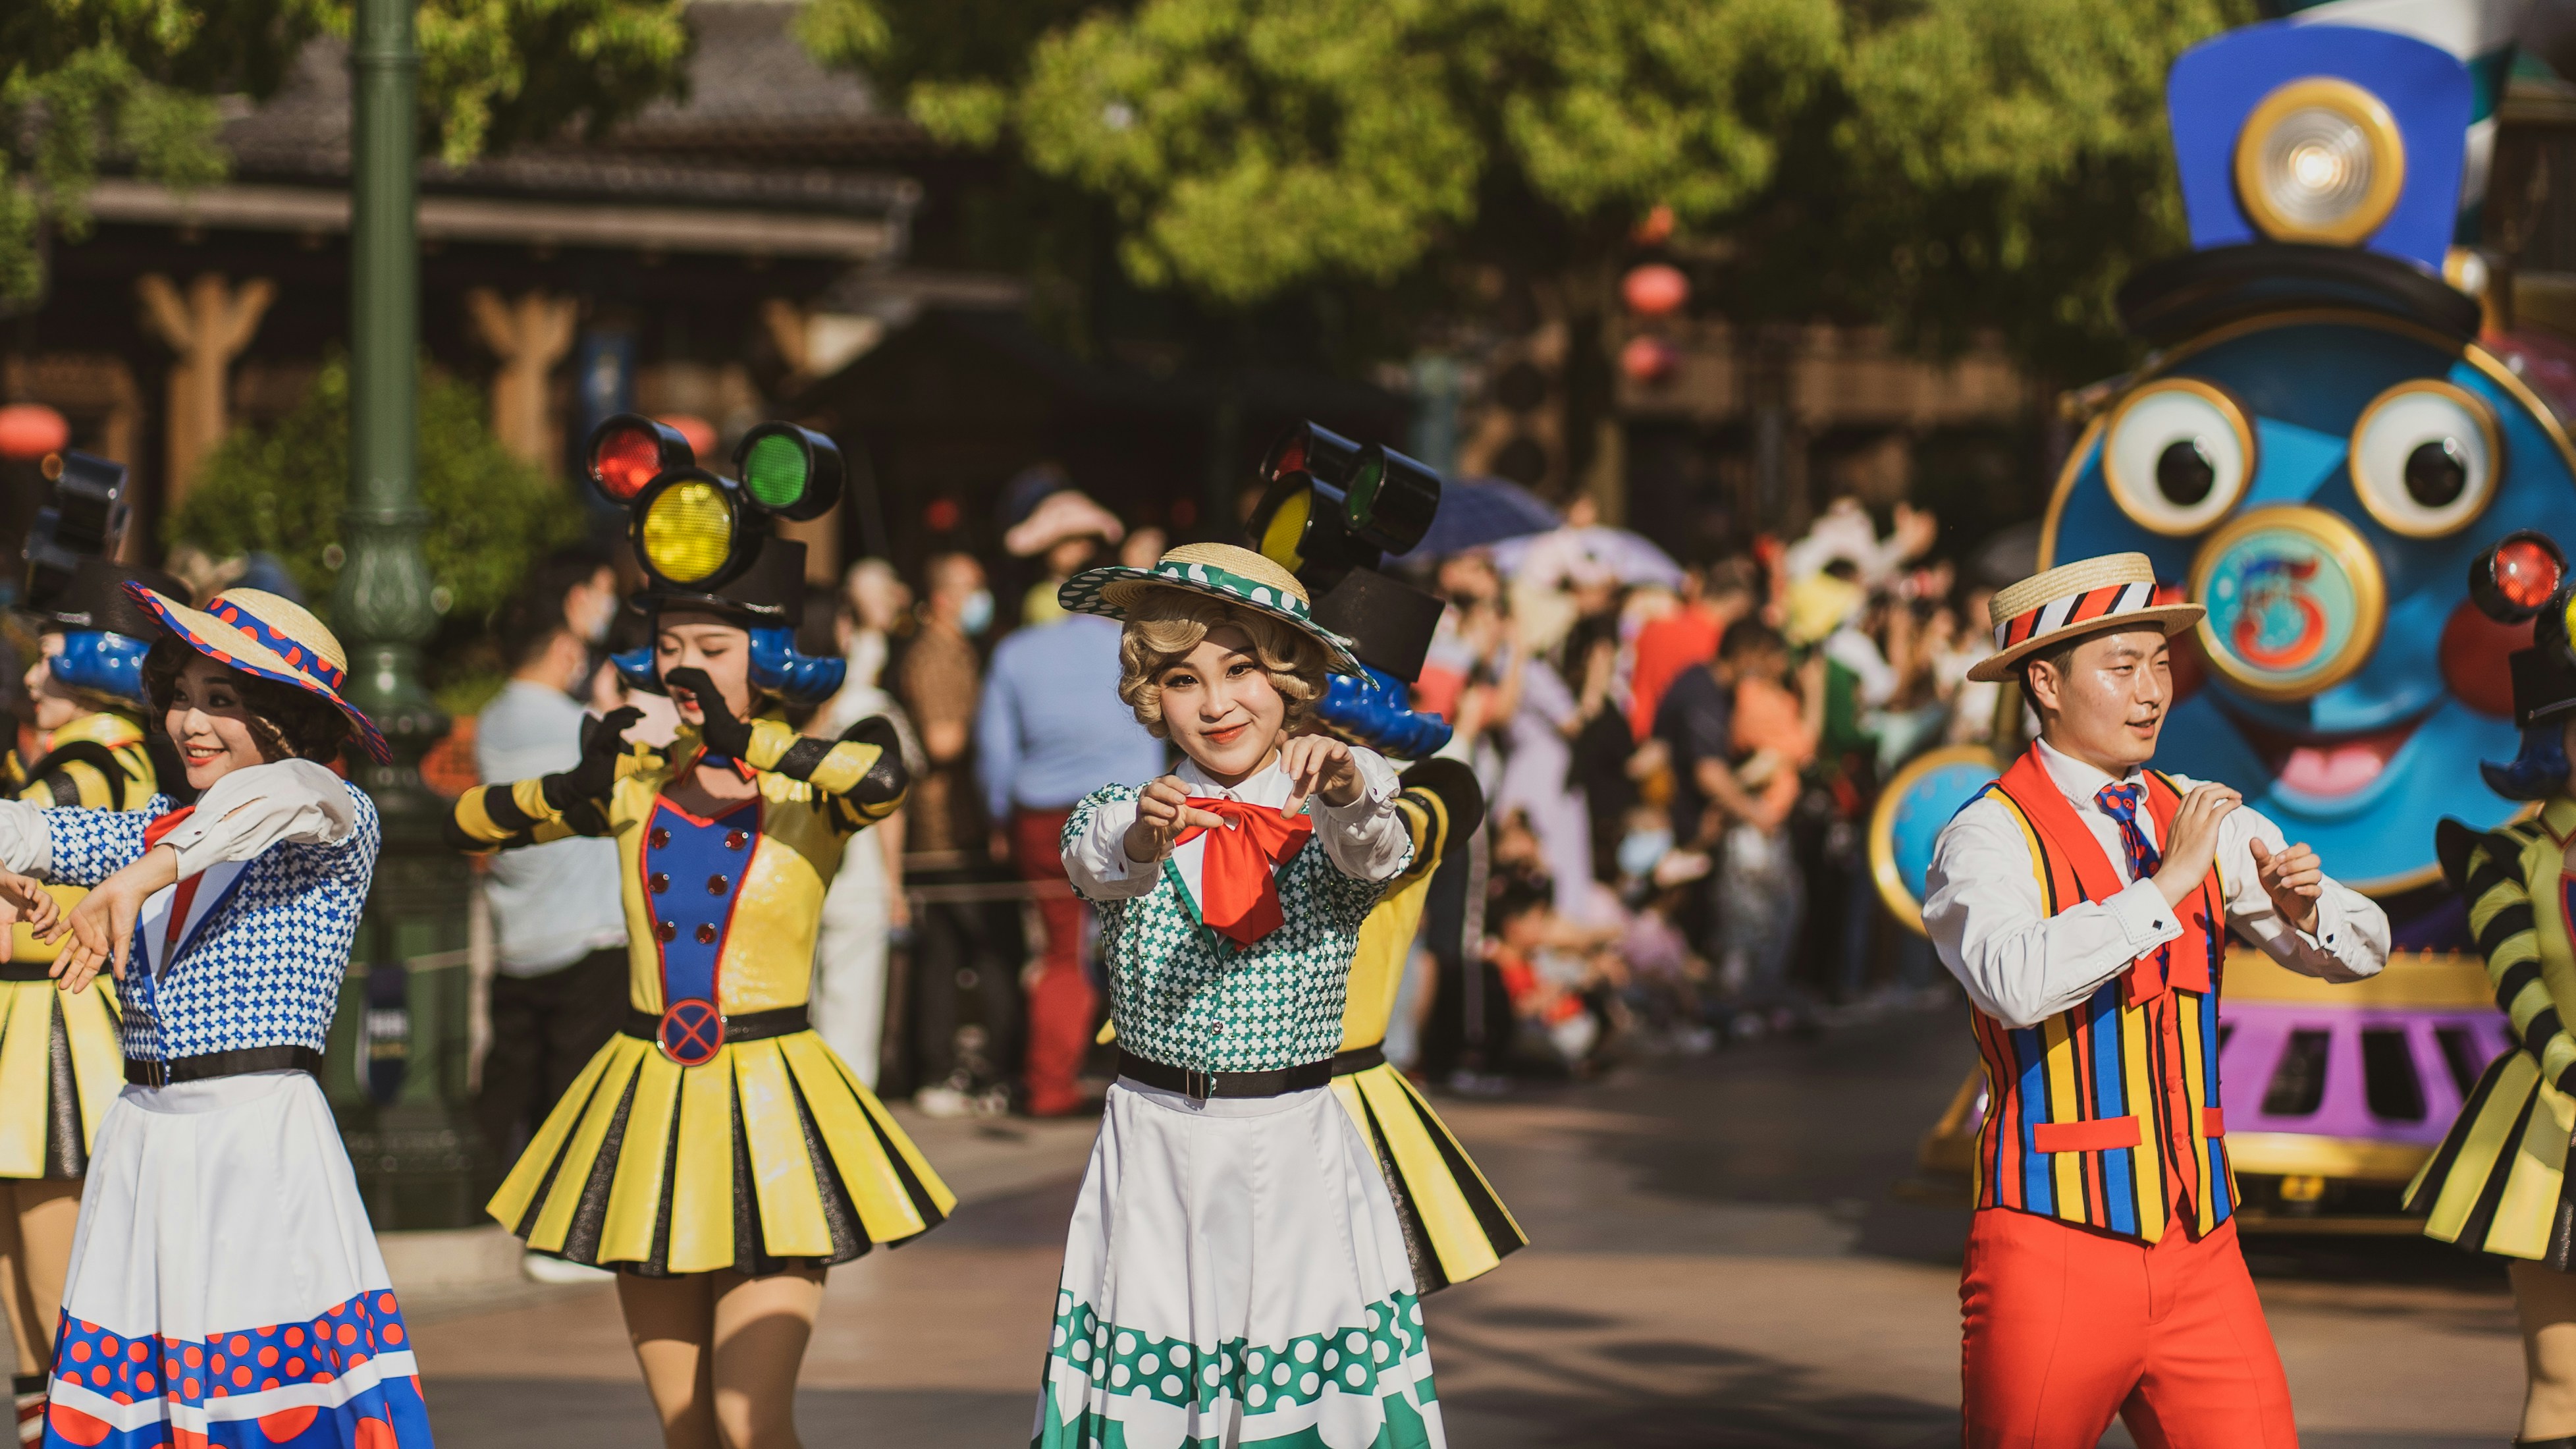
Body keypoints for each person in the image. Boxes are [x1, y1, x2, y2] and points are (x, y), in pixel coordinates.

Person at [458, 535, 951, 1449]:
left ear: (764, 661)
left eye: (712, 648)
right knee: (685, 1428)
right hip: (648, 1107)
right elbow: (467, 820)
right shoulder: (637, 783)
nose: (686, 665)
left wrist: (745, 741)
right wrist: (575, 782)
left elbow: (884, 778)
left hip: (774, 1111)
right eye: (672, 646)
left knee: (748, 1420)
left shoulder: (818, 780)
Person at [1922, 553, 2390, 1447]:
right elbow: (2011, 981)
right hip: (2051, 1243)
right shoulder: (1986, 835)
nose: (2152, 693)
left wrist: (2310, 907)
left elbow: (2366, 951)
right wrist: (2166, 885)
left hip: (2202, 1243)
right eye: (2123, 667)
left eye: (2162, 664)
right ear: (2048, 684)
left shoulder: (2199, 815)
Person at [8, 584, 433, 1447]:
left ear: (284, 720)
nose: (190, 722)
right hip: (145, 1144)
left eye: (223, 701)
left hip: (255, 1142)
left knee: (263, 1407)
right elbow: (20, 831)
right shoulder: (157, 832)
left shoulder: (334, 818)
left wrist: (138, 875)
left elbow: (281, 796)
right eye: (182, 697)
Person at [1037, 544, 1439, 1446]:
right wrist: (1144, 838)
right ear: (1153, 694)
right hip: (1153, 1147)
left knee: (1295, 1408)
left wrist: (1342, 786)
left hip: (1292, 1146)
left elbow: (1379, 851)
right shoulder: (1117, 809)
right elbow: (1099, 865)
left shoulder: (1343, 799)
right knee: (1156, 1400)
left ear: (1288, 676)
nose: (1217, 703)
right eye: (1184, 678)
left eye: (1241, 668)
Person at [0, 558, 186, 1439]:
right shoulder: (111, 761)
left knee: (54, 1293)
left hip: (54, 1024)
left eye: (50, 654)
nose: (34, 677)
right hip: (51, 1021)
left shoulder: (79, 771)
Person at [2407, 549, 2576, 1448]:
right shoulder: (2512, 861)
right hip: (2559, 1128)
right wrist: (2564, 1059)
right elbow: (2520, 987)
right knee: (2563, 1385)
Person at [471, 556, 630, 1250]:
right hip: (587, 936)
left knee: (511, 1085)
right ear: (566, 651)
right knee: (579, 1095)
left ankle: (484, 1202)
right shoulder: (579, 727)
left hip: (520, 934)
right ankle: (570, 1231)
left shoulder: (492, 721)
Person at [977, 559, 1162, 1118]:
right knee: (1147, 944)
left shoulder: (1015, 652)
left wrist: (997, 818)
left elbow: (994, 751)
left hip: (1042, 816)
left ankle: (1050, 1084)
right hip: (1136, 809)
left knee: (1060, 954)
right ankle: (1155, 1076)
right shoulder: (1136, 647)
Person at [807, 560, 921, 1088]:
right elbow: (888, 808)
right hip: (855, 883)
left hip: (798, 875)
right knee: (851, 1023)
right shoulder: (869, 710)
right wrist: (893, 882)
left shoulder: (774, 709)